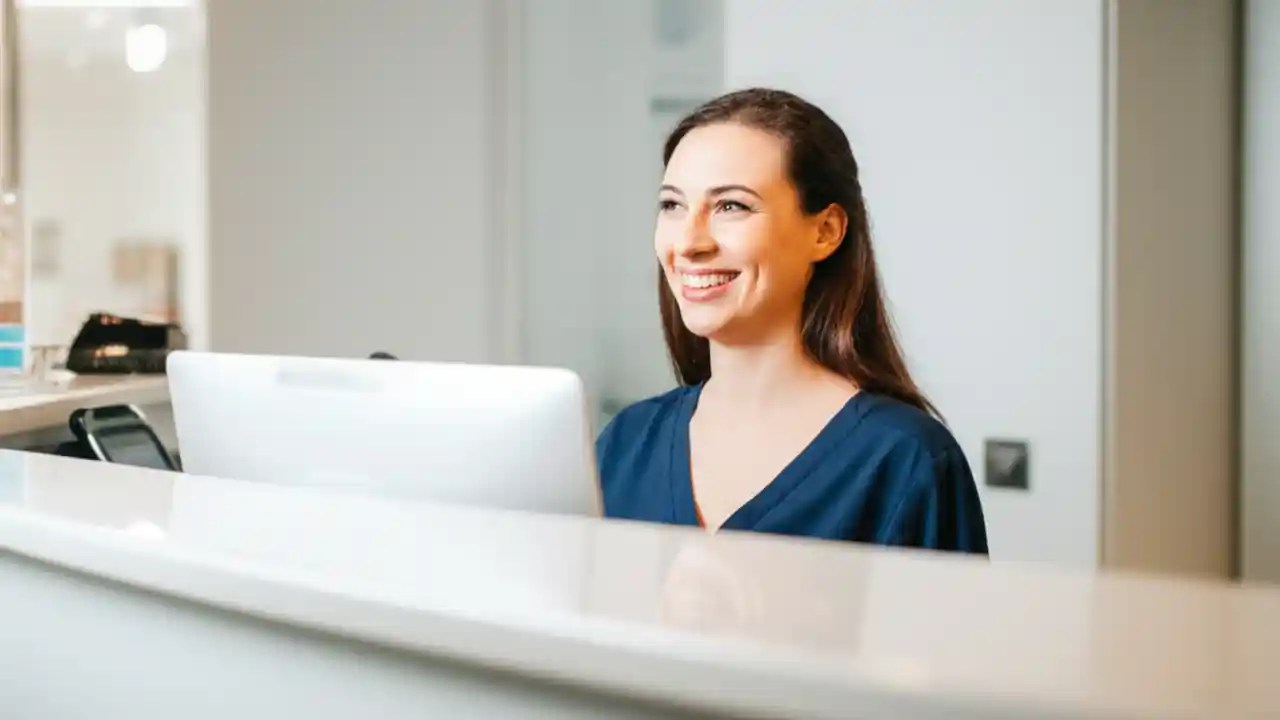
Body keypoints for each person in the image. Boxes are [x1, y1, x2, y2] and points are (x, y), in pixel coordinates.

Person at [596, 88, 988, 553]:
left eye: (731, 206)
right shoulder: (627, 442)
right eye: (672, 206)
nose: (689, 242)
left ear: (825, 232)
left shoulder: (905, 458)